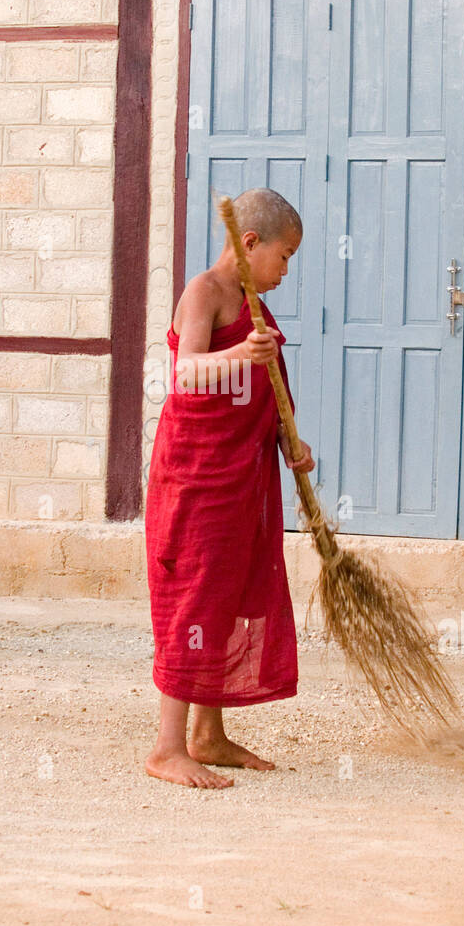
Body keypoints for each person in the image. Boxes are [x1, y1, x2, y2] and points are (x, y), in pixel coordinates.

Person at [144, 187, 316, 789]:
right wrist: (243, 350)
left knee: (231, 592)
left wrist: (290, 442)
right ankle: (167, 747)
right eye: (285, 255)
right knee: (195, 594)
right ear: (250, 244)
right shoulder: (204, 292)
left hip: (245, 475)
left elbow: (267, 380)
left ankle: (207, 734)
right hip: (198, 475)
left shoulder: (253, 303)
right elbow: (184, 373)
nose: (287, 270)